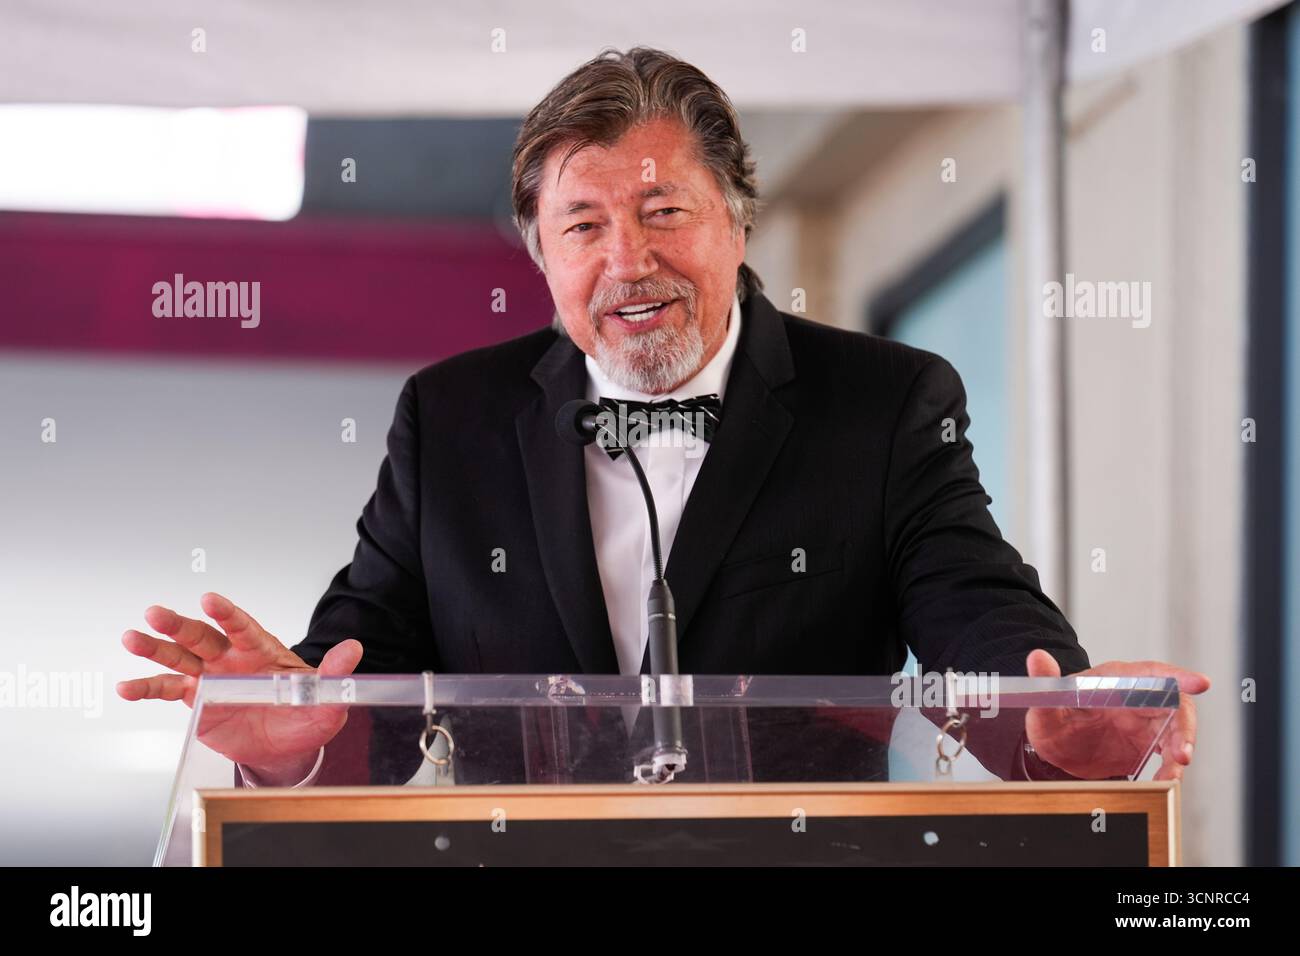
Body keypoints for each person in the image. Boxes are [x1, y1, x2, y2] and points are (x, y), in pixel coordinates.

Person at [117, 47, 1206, 787]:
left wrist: (1059, 720)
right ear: (541, 256)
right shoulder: (448, 418)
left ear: (737, 221)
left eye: (663, 212)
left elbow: (977, 611)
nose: (626, 262)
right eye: (582, 224)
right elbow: (365, 679)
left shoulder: (884, 404)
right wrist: (292, 740)